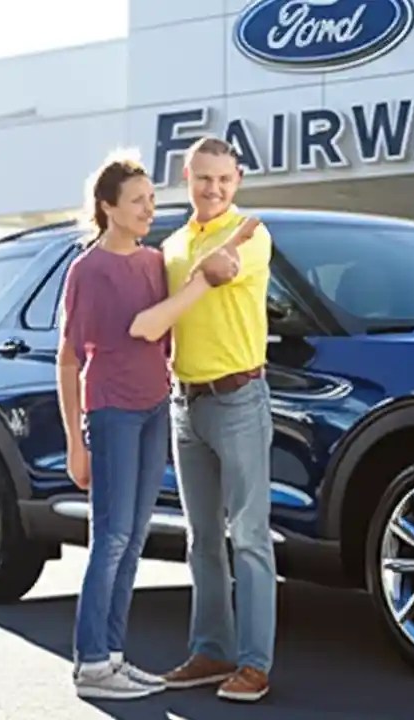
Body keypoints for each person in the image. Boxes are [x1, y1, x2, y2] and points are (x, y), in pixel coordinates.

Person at [56, 150, 236, 701]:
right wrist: (74, 445)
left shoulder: (154, 263)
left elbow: (169, 327)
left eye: (152, 199)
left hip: (156, 406)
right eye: (137, 201)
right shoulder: (87, 270)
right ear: (108, 207)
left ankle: (113, 656)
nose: (148, 209)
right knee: (108, 537)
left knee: (133, 538)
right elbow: (69, 359)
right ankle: (90, 664)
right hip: (111, 411)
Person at [130, 136, 276, 703]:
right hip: (184, 404)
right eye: (203, 179)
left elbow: (226, 269)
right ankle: (212, 650)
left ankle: (255, 664)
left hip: (239, 400)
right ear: (186, 178)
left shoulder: (252, 234)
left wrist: (222, 257)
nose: (214, 189)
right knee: (202, 540)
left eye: (225, 180)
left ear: (237, 181)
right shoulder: (170, 246)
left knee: (251, 537)